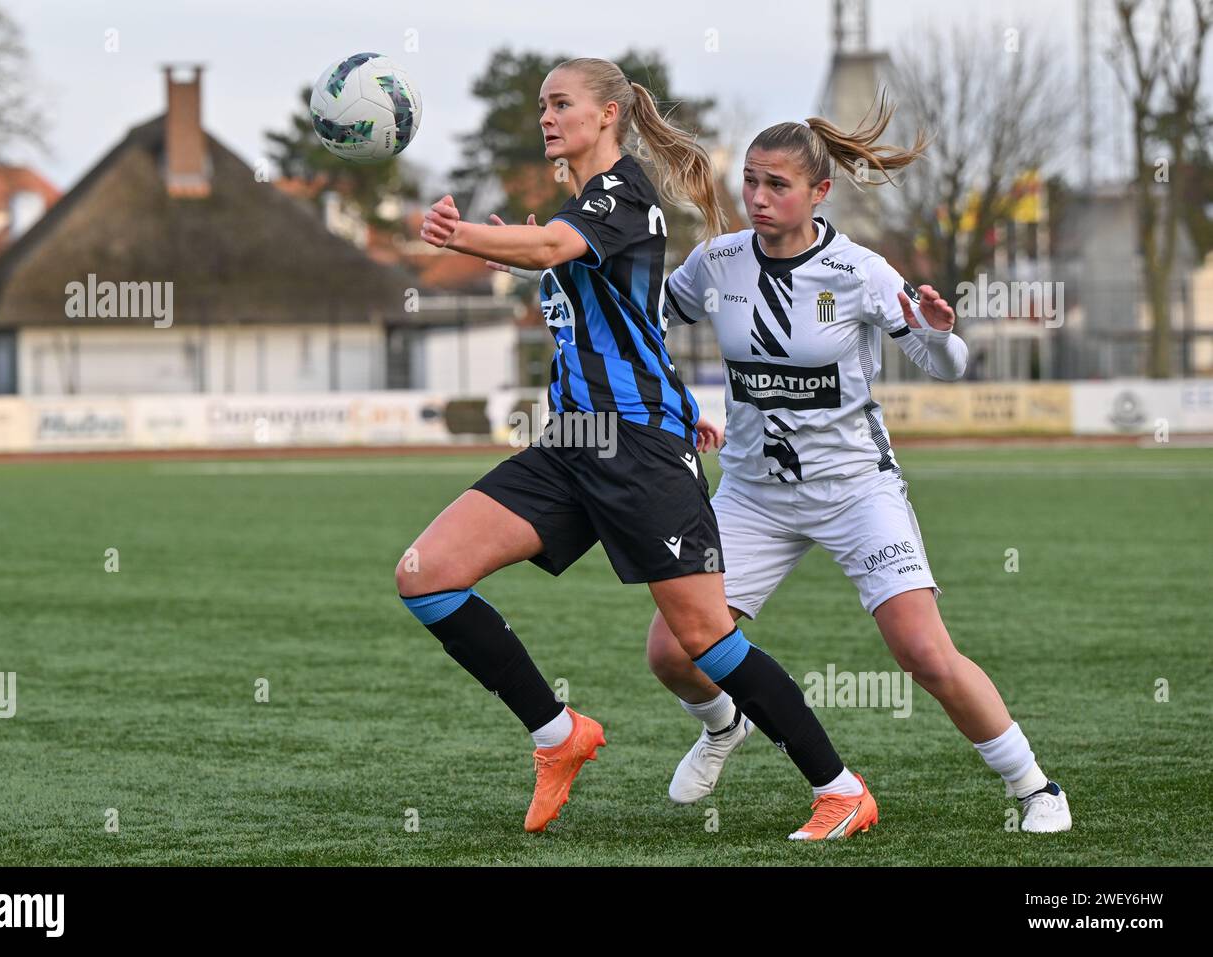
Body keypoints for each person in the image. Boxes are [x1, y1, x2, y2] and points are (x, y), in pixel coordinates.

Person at [399, 56, 876, 839]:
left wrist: (465, 234)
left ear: (608, 116)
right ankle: (558, 736)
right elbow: (630, 319)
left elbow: (549, 249)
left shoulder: (621, 192)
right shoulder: (585, 201)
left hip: (638, 451)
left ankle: (840, 787)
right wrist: (687, 401)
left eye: (561, 103)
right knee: (426, 575)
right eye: (541, 104)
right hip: (572, 444)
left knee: (703, 640)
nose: (547, 117)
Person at [650, 94, 1072, 833]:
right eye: (749, 180)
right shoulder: (715, 261)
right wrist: (547, 268)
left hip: (854, 491)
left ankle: (1037, 787)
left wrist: (939, 333)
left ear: (820, 192)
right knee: (672, 651)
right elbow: (643, 313)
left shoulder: (860, 271)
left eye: (776, 184)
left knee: (923, 652)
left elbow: (948, 363)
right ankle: (724, 726)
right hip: (753, 493)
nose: (756, 197)